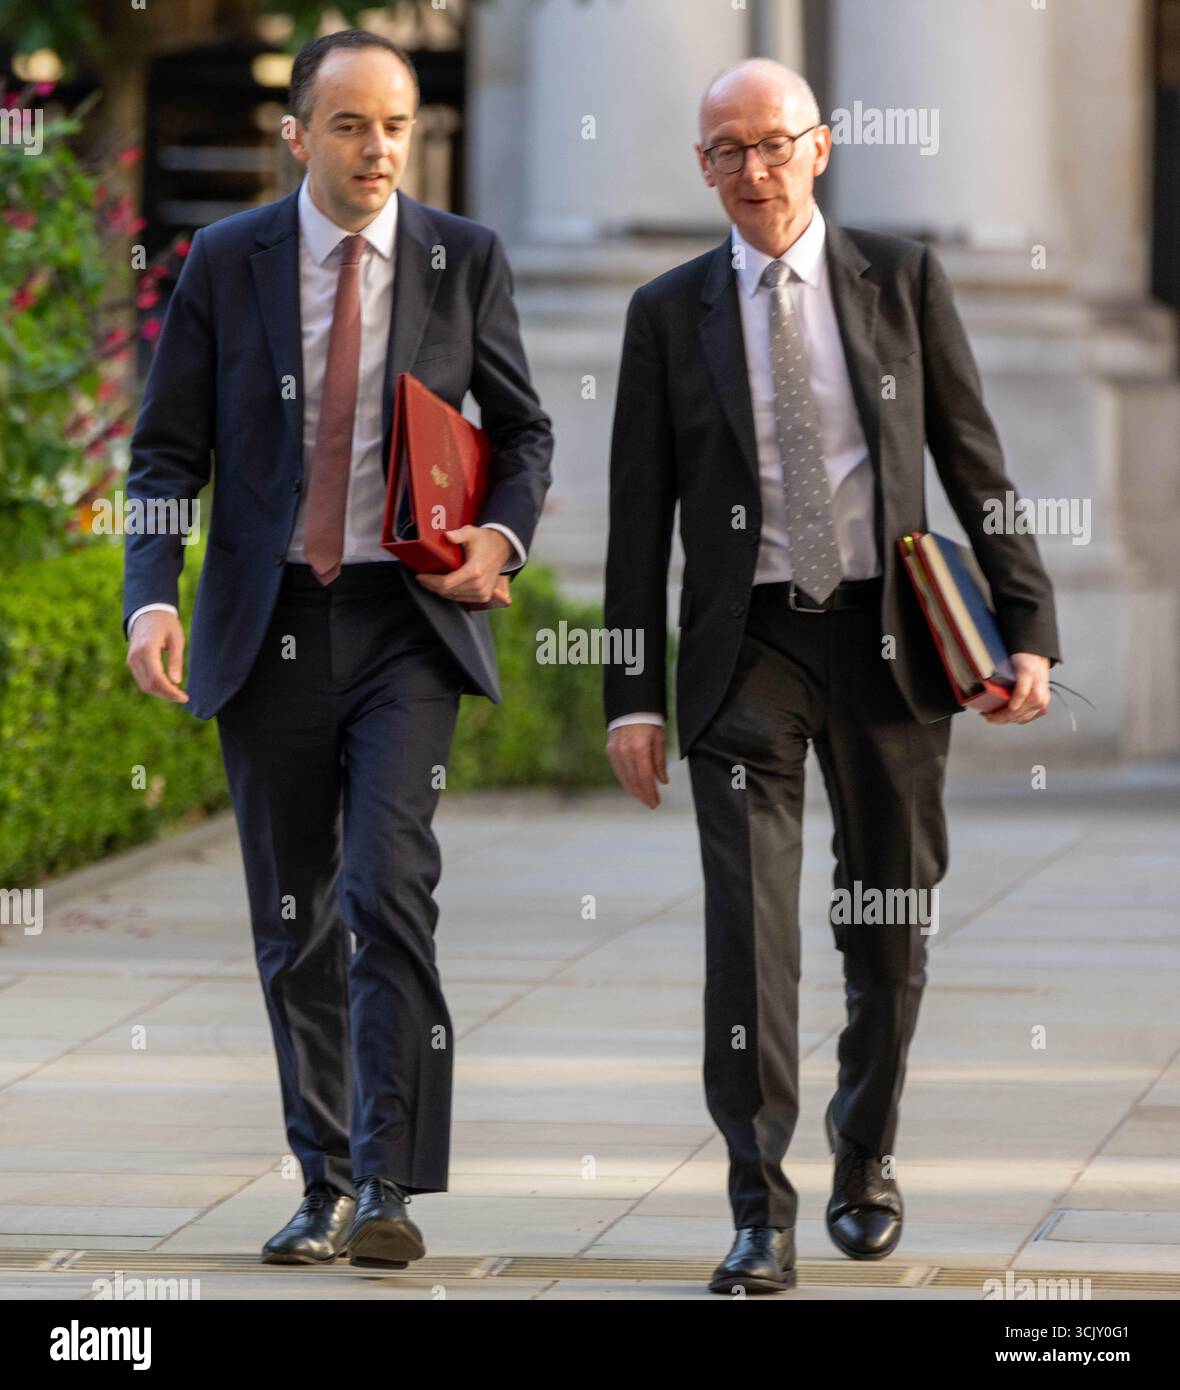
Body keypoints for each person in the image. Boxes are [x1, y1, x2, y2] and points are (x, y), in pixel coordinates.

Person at [603, 58, 1060, 1295]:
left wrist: (1028, 629)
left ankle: (865, 1154)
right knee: (748, 941)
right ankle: (759, 1209)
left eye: (769, 145)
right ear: (703, 168)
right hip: (744, 652)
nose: (749, 172)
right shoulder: (667, 312)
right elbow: (637, 522)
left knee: (889, 927)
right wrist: (631, 695)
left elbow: (974, 461)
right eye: (722, 153)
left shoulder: (900, 280)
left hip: (888, 645)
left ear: (820, 146)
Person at [124, 30, 552, 1268]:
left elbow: (524, 432)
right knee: (294, 916)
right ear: (298, 133)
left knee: (386, 889)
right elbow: (165, 455)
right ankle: (316, 1175)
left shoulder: (460, 258)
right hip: (267, 629)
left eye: (397, 126)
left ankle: (385, 1180)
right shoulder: (225, 261)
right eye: (353, 124)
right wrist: (152, 596)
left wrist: (501, 537)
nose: (378, 149)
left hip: (404, 624)